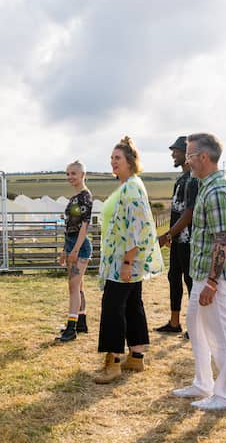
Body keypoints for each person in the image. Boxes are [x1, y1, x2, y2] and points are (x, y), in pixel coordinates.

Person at [171, 132, 226, 411]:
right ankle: (203, 383)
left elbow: (222, 240)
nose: (187, 160)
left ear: (203, 156)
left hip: (213, 276)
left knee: (220, 333)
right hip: (202, 272)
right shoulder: (206, 186)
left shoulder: (217, 191)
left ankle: (225, 395)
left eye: (189, 155)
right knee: (195, 325)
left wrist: (212, 282)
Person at [93, 136, 164, 384]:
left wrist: (126, 263)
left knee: (113, 307)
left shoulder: (132, 188)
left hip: (123, 261)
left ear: (131, 161)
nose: (113, 162)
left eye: (118, 158)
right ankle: (136, 356)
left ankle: (113, 362)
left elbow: (137, 228)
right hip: (123, 259)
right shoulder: (128, 185)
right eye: (111, 158)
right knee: (133, 304)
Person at [156, 136, 199, 336]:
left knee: (190, 281)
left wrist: (167, 235)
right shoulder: (181, 178)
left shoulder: (193, 179)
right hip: (177, 239)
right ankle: (174, 323)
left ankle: (194, 326)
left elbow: (189, 213)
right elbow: (176, 211)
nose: (173, 154)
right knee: (174, 277)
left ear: (187, 154)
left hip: (189, 240)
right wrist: (171, 236)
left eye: (176, 150)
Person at [56, 161, 93, 343]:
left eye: (73, 173)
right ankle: (81, 321)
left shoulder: (85, 196)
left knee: (73, 286)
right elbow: (69, 226)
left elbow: (84, 225)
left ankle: (71, 328)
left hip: (80, 245)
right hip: (71, 243)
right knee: (78, 286)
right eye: (67, 174)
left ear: (82, 175)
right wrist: (65, 249)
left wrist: (75, 250)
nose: (70, 177)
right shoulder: (74, 198)